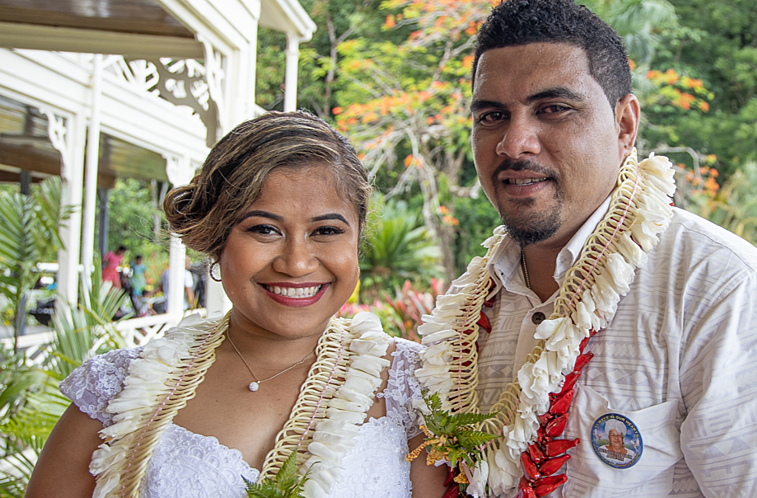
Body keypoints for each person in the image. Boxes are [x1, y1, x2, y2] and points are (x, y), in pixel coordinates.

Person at [414, 1, 757, 497]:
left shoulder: (720, 290)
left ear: (625, 125)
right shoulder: (466, 311)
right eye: (493, 116)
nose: (515, 144)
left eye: (553, 109)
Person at [26, 112, 446, 498]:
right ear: (216, 238)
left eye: (326, 231)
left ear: (356, 239)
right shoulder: (115, 391)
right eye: (264, 229)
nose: (296, 263)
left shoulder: (414, 386)